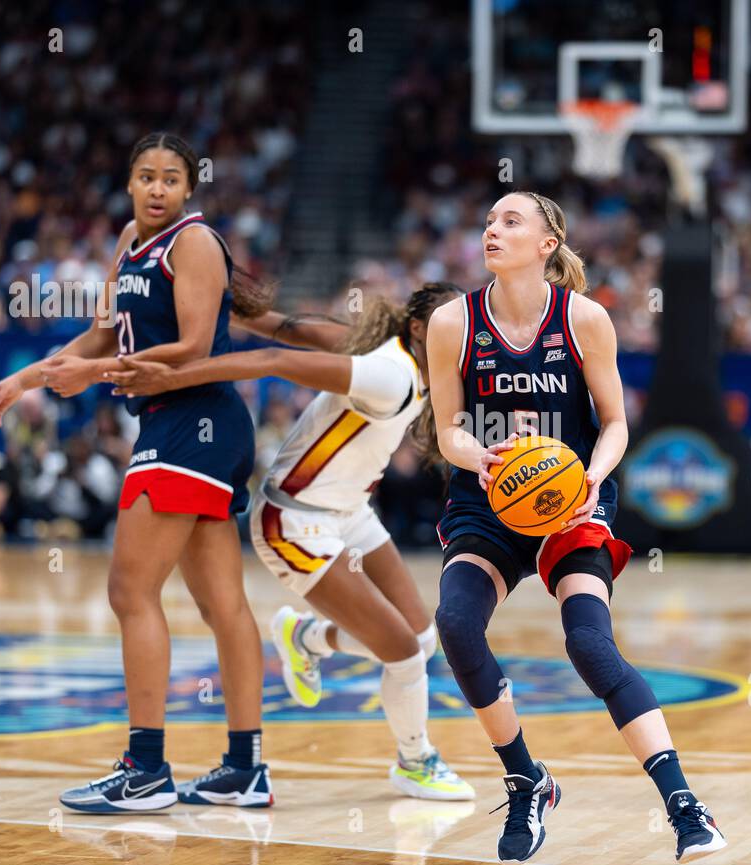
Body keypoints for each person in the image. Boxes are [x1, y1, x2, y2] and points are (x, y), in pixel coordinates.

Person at [423, 191, 727, 863]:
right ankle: (527, 779)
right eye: (489, 219)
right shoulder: (451, 322)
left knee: (589, 643)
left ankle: (684, 804)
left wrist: (592, 476)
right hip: (490, 501)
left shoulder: (584, 318)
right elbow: (446, 429)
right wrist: (479, 456)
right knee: (456, 624)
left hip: (571, 499)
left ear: (547, 244)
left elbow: (617, 421)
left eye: (511, 220)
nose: (492, 229)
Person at [0, 132, 279, 811]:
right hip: (185, 426)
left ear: (187, 189)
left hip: (193, 420)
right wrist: (22, 379)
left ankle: (145, 768)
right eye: (145, 176)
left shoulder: (195, 243)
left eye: (170, 179)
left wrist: (97, 373)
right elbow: (101, 333)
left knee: (129, 590)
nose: (156, 189)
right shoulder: (129, 241)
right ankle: (244, 766)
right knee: (218, 604)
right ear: (128, 183)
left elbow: (195, 346)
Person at [108, 283, 476, 801]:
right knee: (406, 655)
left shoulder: (405, 361)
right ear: (418, 329)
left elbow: (287, 329)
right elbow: (276, 359)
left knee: (423, 637)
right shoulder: (391, 376)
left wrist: (229, 305)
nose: (461, 336)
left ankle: (307, 639)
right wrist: (171, 374)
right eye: (448, 324)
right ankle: (415, 761)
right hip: (296, 522)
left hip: (349, 514)